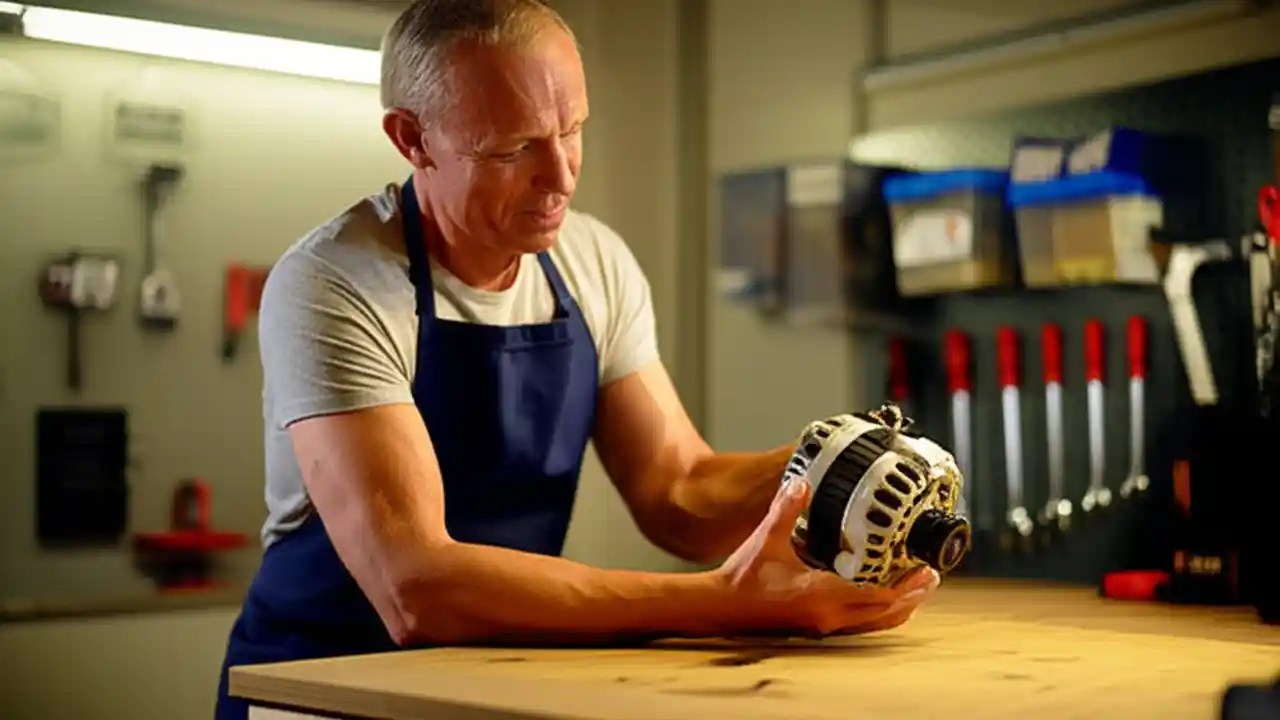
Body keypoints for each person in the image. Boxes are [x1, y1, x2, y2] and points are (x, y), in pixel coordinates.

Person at [214, 1, 939, 717]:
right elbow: (417, 586)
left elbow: (680, 493)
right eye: (513, 148)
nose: (560, 175)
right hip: (315, 695)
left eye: (573, 131)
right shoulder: (338, 282)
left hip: (489, 684)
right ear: (413, 139)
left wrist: (834, 461)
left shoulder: (591, 259)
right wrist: (724, 603)